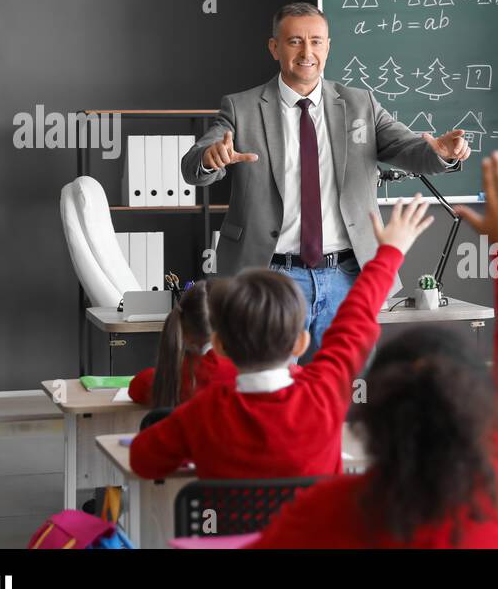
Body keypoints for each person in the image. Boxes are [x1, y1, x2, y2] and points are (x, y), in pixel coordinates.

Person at [249, 151, 498, 548]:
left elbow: (348, 334)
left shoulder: (325, 508)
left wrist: (388, 253)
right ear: (480, 410)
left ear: (371, 420)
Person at [182, 2, 472, 356]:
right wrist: (211, 159)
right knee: (273, 394)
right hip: (270, 280)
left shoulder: (359, 104)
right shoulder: (241, 108)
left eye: (316, 42)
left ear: (328, 47)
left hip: (346, 279)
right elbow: (194, 164)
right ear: (275, 47)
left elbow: (410, 148)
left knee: (346, 392)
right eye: (295, 42)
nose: (307, 53)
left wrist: (442, 151)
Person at [129, 197, 435, 480]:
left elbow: (143, 461)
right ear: (300, 343)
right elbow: (354, 319)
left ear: (220, 346)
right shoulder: (324, 393)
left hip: (234, 540)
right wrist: (389, 253)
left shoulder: (202, 413)